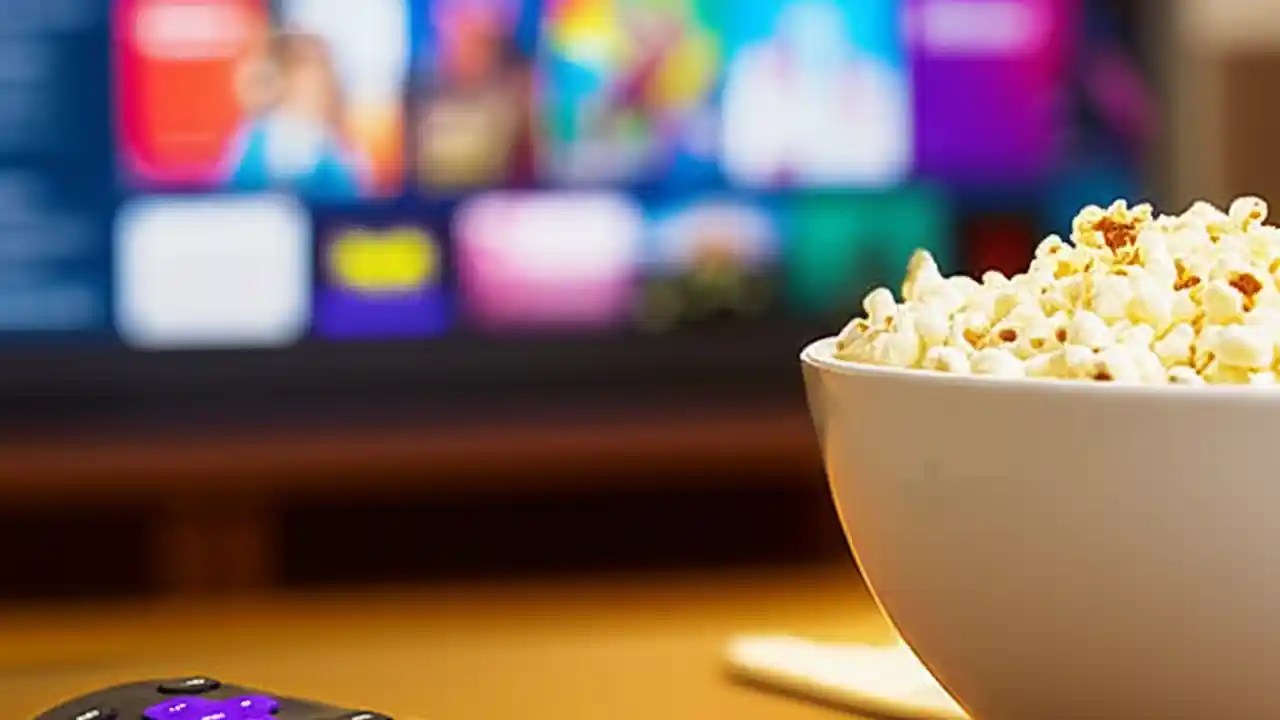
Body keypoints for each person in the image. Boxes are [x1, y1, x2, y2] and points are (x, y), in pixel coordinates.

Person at [225, 33, 365, 199]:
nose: (313, 94)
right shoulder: (252, 142)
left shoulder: (338, 151)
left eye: (321, 86)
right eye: (304, 85)